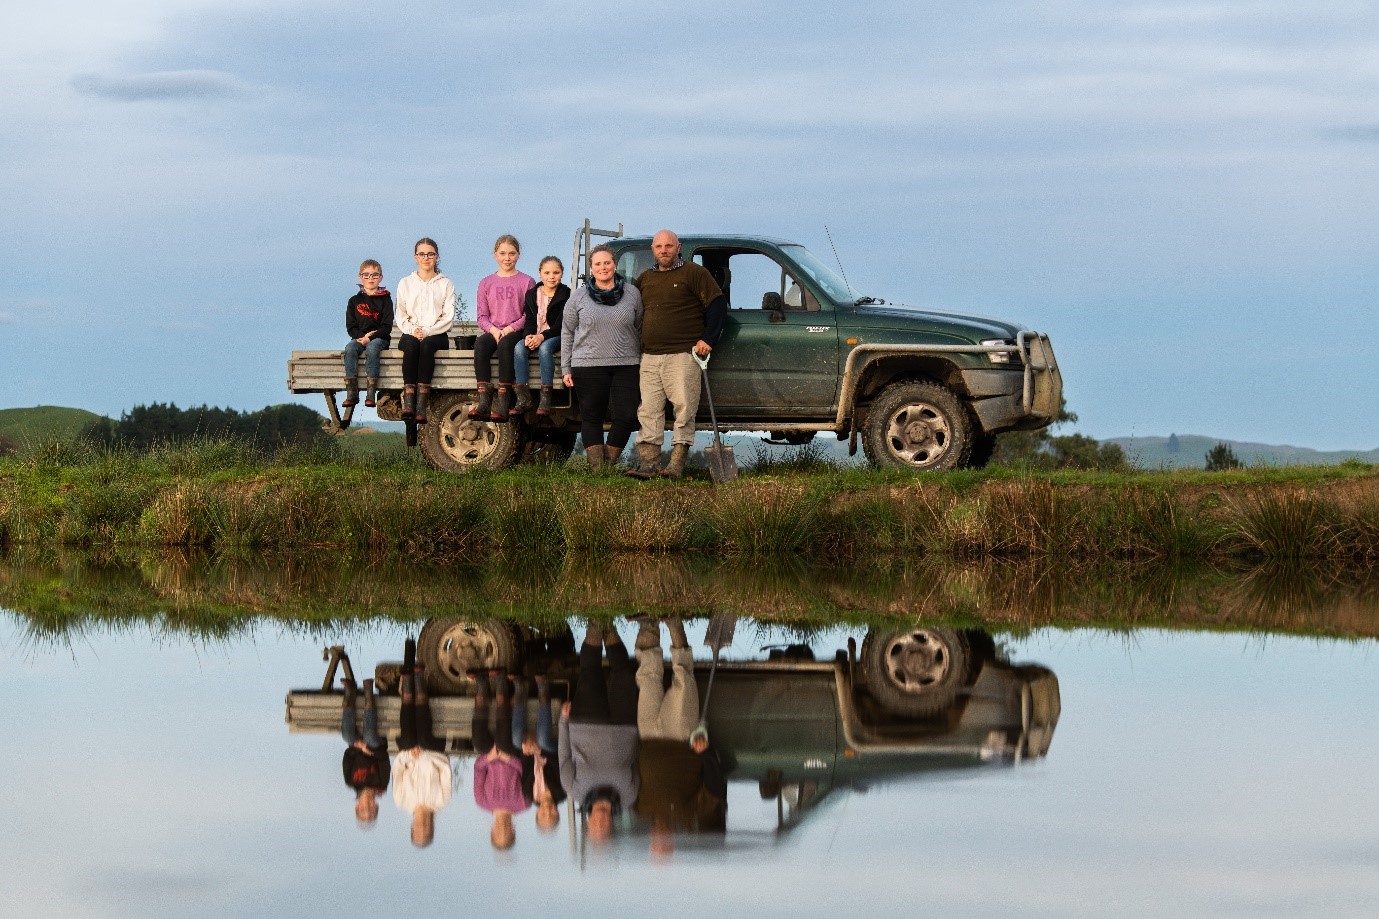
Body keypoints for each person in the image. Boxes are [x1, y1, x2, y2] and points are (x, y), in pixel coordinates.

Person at [629, 229, 727, 479]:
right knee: (648, 410)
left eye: (669, 246)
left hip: (683, 355)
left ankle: (675, 466)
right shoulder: (645, 279)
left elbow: (716, 304)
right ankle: (648, 465)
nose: (664, 251)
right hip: (650, 356)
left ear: (678, 247)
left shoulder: (694, 273)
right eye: (659, 246)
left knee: (684, 409)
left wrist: (708, 339)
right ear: (653, 250)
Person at [632, 618, 726, 855]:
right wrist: (706, 753)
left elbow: (631, 775)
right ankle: (675, 624)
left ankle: (648, 623)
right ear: (673, 840)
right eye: (664, 843)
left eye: (655, 842)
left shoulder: (640, 810)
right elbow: (715, 789)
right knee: (684, 680)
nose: (658, 836)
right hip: (681, 738)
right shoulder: (689, 815)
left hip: (648, 736)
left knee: (647, 678)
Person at [560, 245, 643, 470]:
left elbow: (639, 327)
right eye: (598, 264)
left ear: (615, 264)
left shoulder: (632, 293)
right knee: (592, 417)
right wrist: (565, 367)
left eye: (607, 262)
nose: (603, 267)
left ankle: (609, 462)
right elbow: (567, 332)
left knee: (626, 416)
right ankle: (598, 468)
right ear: (591, 268)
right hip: (588, 365)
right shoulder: (578, 297)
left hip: (627, 364)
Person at [558, 621, 640, 843]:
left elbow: (564, 754)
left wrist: (563, 721)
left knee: (590, 671)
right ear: (612, 825)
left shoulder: (574, 790)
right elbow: (636, 762)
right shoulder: (629, 797)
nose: (601, 824)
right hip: (625, 726)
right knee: (624, 674)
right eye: (605, 829)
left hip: (586, 723)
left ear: (588, 822)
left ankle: (595, 624)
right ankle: (609, 627)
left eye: (595, 827)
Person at [392, 642, 452, 847]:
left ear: (412, 826)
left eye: (419, 829)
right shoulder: (441, 801)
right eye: (427, 830)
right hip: (434, 749)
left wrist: (409, 754)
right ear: (432, 828)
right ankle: (419, 680)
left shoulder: (402, 801)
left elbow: (398, 769)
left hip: (408, 749)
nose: (423, 825)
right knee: (424, 740)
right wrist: (425, 754)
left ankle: (408, 683)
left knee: (409, 741)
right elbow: (445, 769)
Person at [471, 235, 536, 422]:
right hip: (494, 330)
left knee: (506, 345)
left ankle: (503, 402)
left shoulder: (527, 281)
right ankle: (484, 401)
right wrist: (493, 330)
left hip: (516, 331)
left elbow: (529, 314)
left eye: (512, 254)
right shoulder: (486, 283)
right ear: (495, 255)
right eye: (502, 253)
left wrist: (509, 329)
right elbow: (482, 316)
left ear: (518, 255)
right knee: (481, 345)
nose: (507, 258)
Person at [394, 238, 456, 425]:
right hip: (411, 332)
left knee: (427, 346)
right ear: (415, 257)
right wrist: (413, 330)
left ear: (437, 257)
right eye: (422, 254)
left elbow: (448, 316)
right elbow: (400, 314)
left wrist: (428, 331)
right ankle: (409, 402)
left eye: (430, 254)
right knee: (411, 347)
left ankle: (422, 404)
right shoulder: (405, 283)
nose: (426, 258)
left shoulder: (446, 284)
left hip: (437, 334)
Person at [470, 669, 529, 850]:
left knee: (479, 743)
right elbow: (526, 771)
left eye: (498, 833)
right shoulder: (524, 803)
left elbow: (479, 770)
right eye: (506, 833)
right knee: (503, 742)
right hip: (514, 754)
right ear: (513, 831)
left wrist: (490, 757)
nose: (502, 829)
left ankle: (482, 686)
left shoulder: (482, 802)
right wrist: (507, 758)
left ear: (492, 830)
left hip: (492, 755)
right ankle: (501, 682)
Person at [513, 256, 570, 419]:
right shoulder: (532, 294)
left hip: (556, 335)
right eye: (547, 273)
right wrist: (528, 336)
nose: (551, 277)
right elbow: (530, 320)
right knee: (519, 348)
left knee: (545, 349)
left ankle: (545, 398)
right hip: (536, 334)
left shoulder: (566, 294)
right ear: (540, 273)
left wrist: (541, 337)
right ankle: (523, 398)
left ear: (562, 273)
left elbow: (561, 325)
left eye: (556, 273)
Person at [513, 674, 566, 832]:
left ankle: (520, 690)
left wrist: (527, 749)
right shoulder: (562, 791)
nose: (547, 811)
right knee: (543, 739)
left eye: (543, 815)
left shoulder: (528, 792)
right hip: (553, 750)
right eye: (552, 815)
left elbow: (525, 765)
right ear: (557, 812)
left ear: (537, 813)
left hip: (533, 752)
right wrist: (540, 749)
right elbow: (560, 762)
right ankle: (543, 690)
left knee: (517, 740)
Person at [342, 260, 393, 409]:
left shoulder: (385, 299)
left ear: (380, 278)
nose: (370, 278)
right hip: (359, 338)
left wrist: (370, 337)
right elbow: (350, 326)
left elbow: (387, 327)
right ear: (360, 277)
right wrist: (362, 337)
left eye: (375, 275)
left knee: (372, 348)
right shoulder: (354, 301)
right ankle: (352, 393)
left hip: (379, 338)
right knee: (350, 348)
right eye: (366, 275)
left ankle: (371, 393)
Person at [340, 674, 390, 827]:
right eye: (370, 809)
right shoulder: (381, 784)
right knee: (369, 736)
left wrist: (358, 747)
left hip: (356, 746)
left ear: (357, 806)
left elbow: (347, 757)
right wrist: (369, 750)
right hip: (376, 745)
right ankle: (369, 694)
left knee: (346, 736)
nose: (367, 805)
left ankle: (350, 693)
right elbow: (384, 758)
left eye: (363, 809)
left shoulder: (351, 781)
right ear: (376, 806)